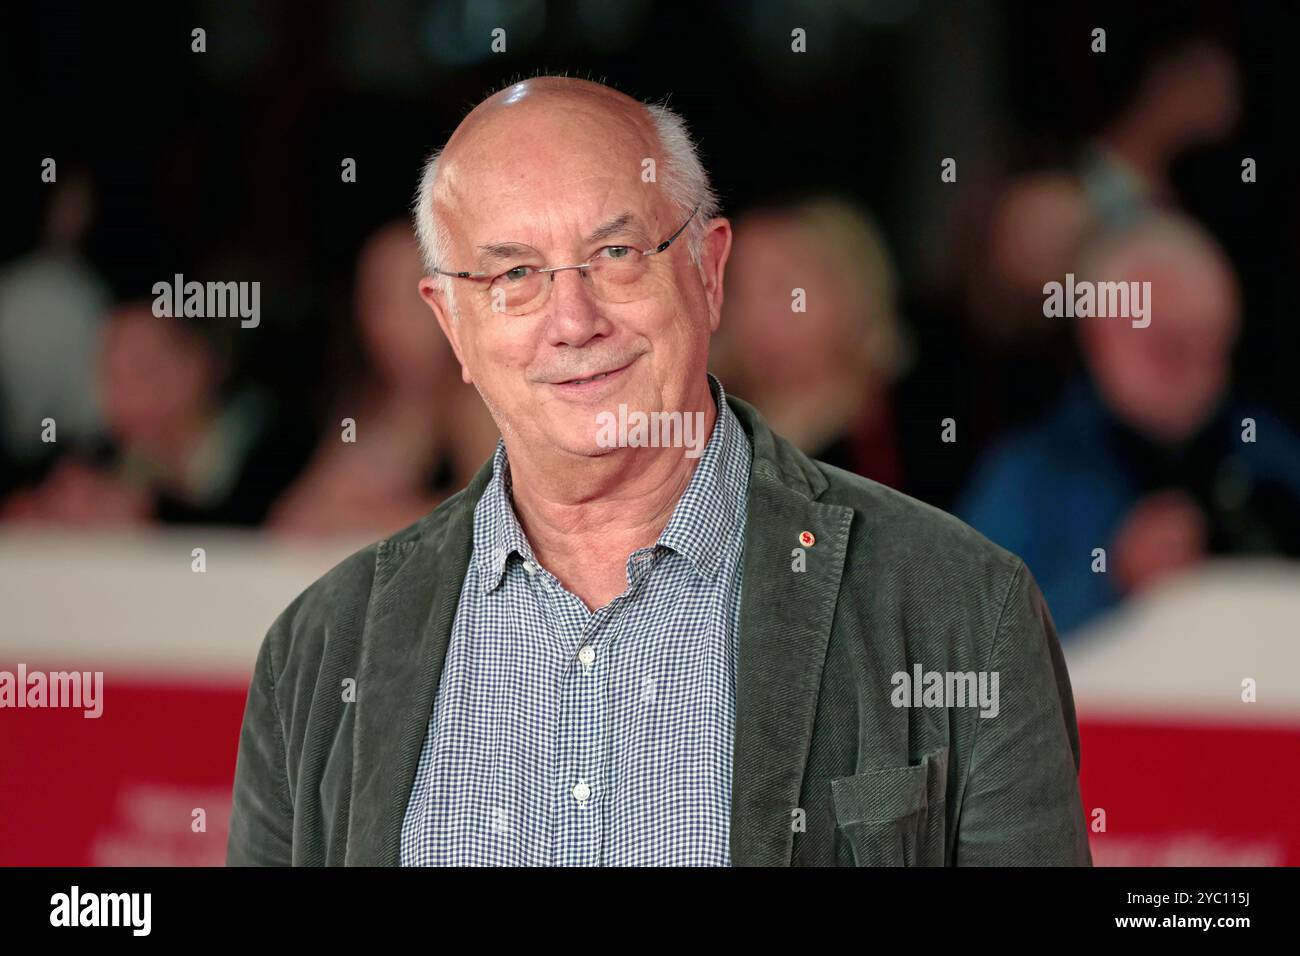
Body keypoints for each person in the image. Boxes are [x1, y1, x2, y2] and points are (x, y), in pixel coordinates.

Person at [228, 77, 1091, 866]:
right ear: (451, 324)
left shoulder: (959, 606)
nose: (573, 320)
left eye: (616, 255)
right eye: (514, 274)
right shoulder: (318, 653)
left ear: (709, 271)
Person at [958, 212, 1300, 635]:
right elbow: (965, 639)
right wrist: (1111, 580)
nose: (1203, 376)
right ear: (1101, 335)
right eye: (1171, 348)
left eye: (1217, 347)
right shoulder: (1031, 474)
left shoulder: (1265, 451)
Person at [717, 196, 909, 488]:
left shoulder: (913, 432)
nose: (754, 315)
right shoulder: (712, 428)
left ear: (851, 289)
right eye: (739, 291)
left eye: (780, 287)